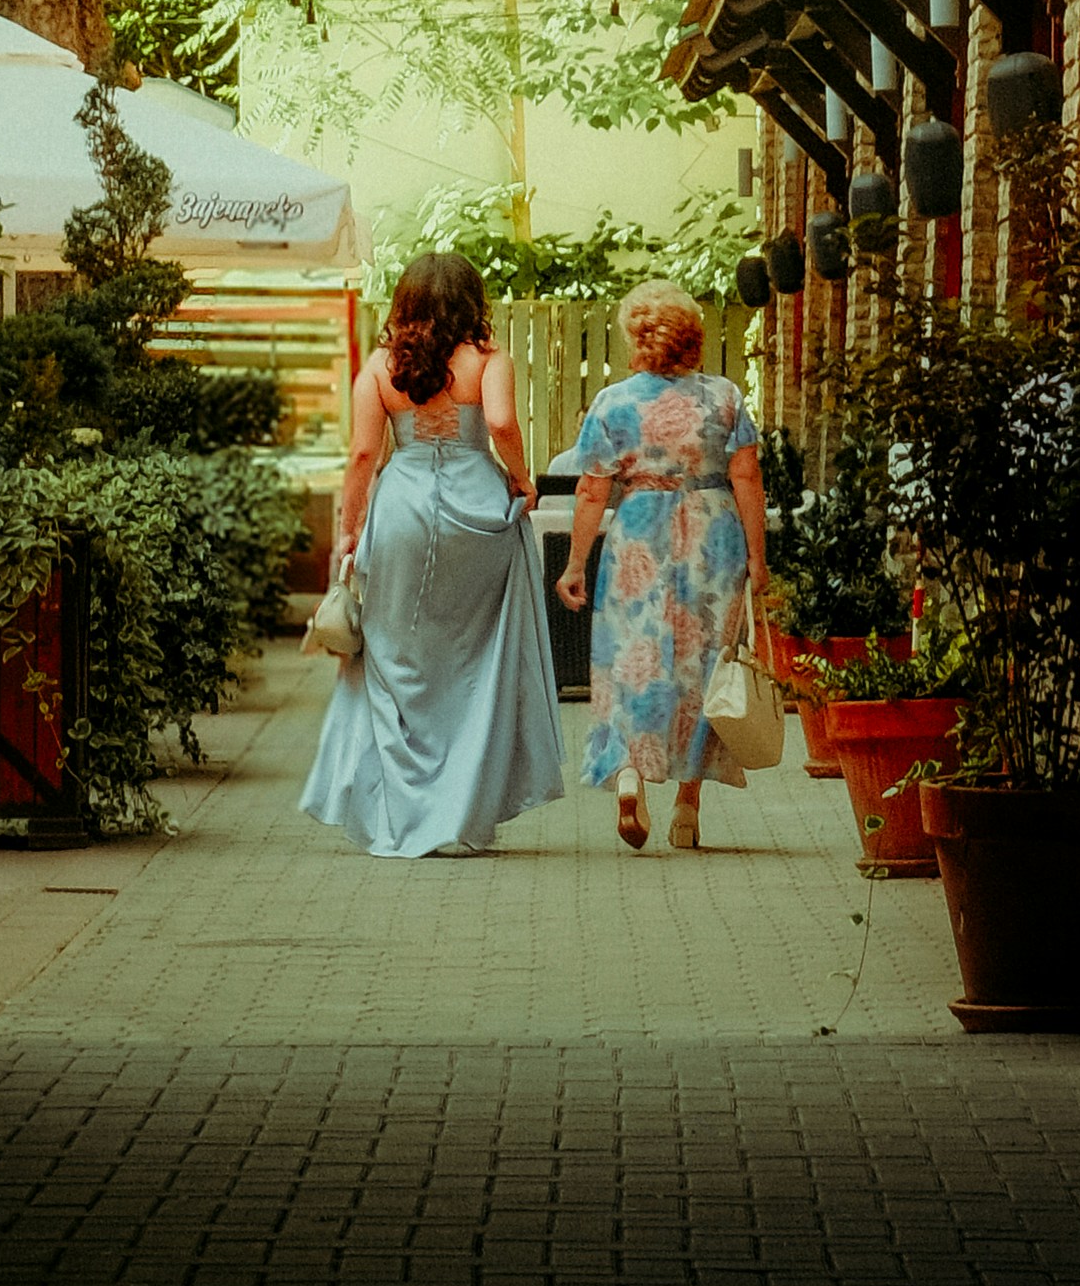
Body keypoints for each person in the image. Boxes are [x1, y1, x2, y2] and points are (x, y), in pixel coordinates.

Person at [299, 249, 565, 858]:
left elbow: (364, 456)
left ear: (406, 302)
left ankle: (404, 814)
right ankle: (461, 816)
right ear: (472, 302)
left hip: (401, 512)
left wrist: (348, 529)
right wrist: (522, 479)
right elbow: (499, 422)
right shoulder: (487, 360)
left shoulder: (380, 367)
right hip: (476, 510)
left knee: (397, 663)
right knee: (474, 667)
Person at [553, 278, 769, 850]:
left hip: (639, 537)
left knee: (632, 658)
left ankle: (628, 774)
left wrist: (575, 564)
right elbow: (746, 476)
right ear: (693, 338)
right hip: (713, 539)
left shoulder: (613, 403)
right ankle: (688, 806)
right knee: (703, 665)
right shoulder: (724, 398)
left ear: (637, 340)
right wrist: (758, 558)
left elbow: (591, 493)